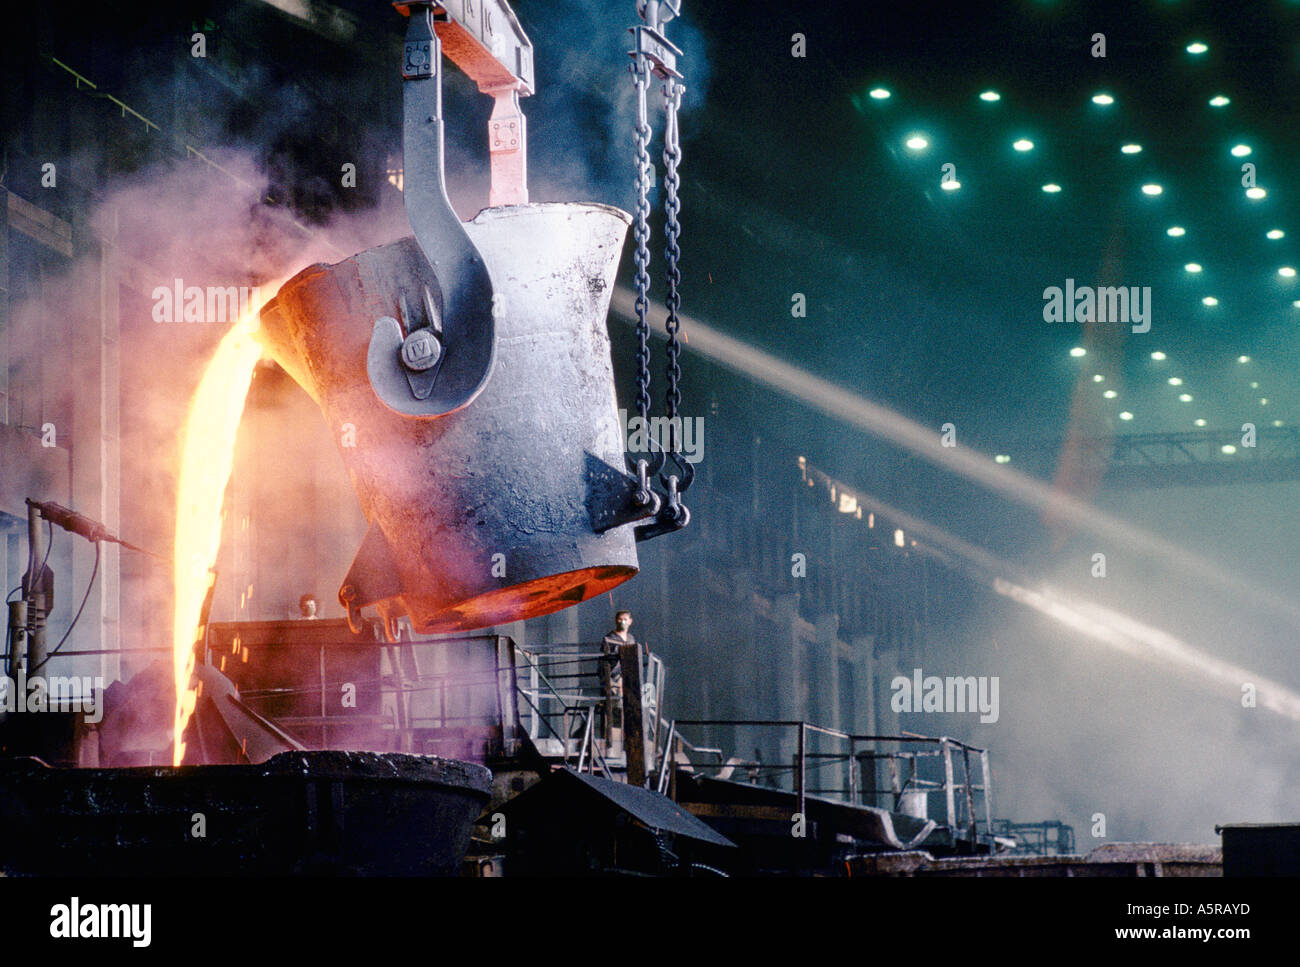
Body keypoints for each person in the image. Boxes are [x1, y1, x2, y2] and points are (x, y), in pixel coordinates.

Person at [600, 611, 635, 750]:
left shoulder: (631, 639)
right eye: (620, 619)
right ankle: (613, 738)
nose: (623, 622)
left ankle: (627, 737)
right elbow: (604, 662)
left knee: (630, 708)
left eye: (625, 620)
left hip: (628, 679)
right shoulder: (609, 638)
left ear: (630, 621)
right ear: (616, 620)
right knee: (615, 707)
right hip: (613, 679)